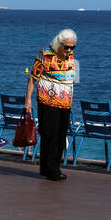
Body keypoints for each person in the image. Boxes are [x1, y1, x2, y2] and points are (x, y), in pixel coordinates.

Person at [25, 29, 77, 181]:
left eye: (72, 47)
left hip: (65, 103)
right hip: (47, 101)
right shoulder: (45, 55)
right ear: (58, 43)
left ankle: (51, 168)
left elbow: (72, 78)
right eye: (66, 47)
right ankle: (52, 170)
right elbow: (32, 78)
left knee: (61, 136)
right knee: (50, 134)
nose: (69, 50)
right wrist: (27, 100)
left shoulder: (71, 57)